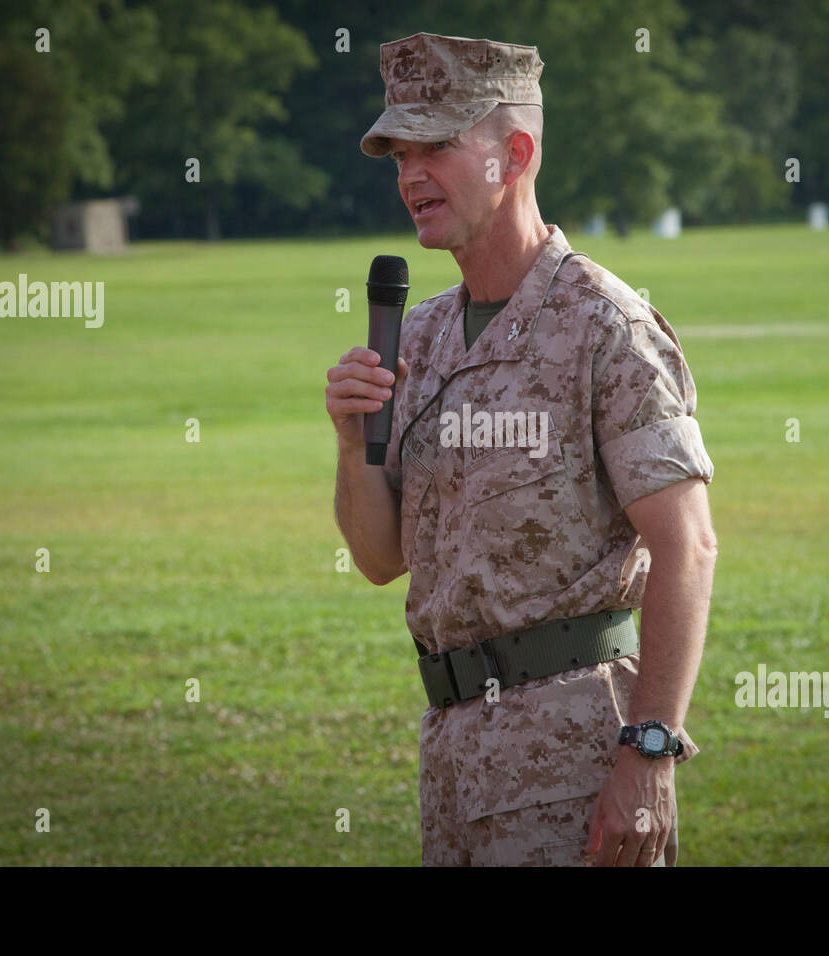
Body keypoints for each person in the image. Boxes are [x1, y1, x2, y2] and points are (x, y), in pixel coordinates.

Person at [324, 32, 718, 866]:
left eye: (436, 146)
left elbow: (688, 547)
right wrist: (353, 439)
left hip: (575, 757)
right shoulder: (422, 336)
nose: (409, 176)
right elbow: (378, 557)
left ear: (516, 152)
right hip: (453, 755)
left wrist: (648, 754)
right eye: (398, 153)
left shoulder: (606, 327)